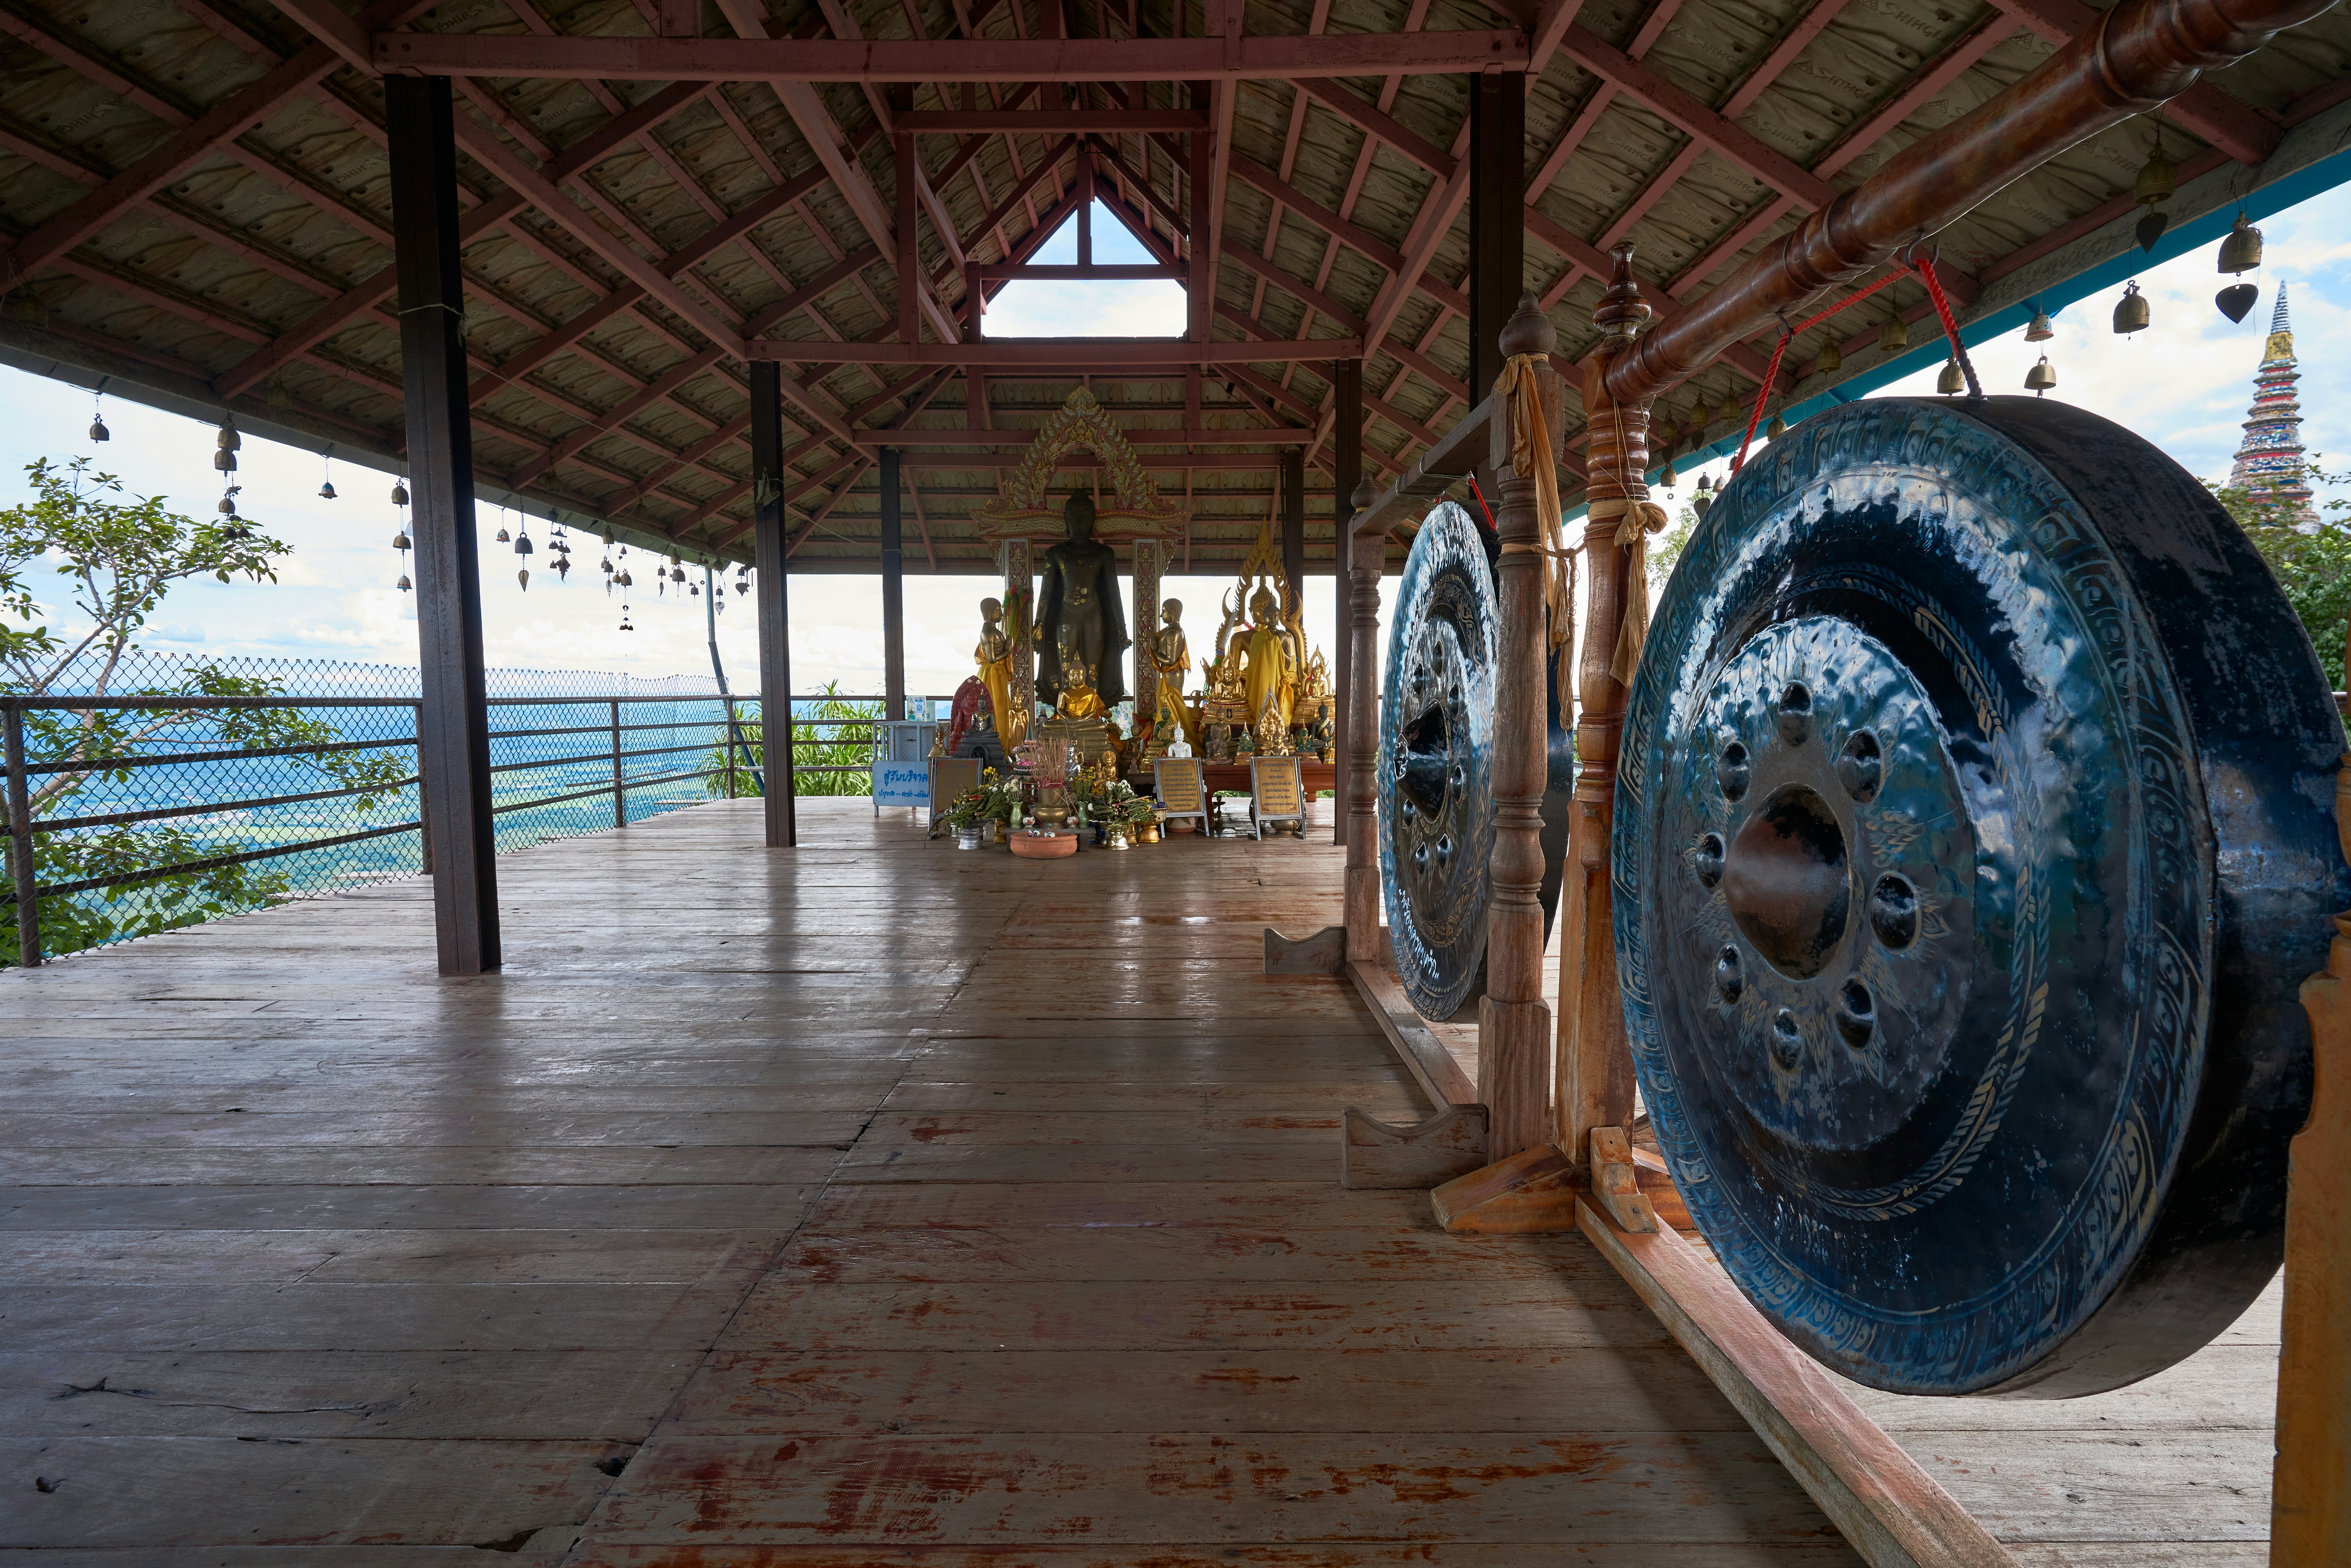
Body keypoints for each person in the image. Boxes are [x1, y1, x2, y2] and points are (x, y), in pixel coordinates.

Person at [1033, 490, 1129, 709]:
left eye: (1083, 515)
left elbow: (1114, 593)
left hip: (1094, 616)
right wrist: (1039, 623)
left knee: (1093, 670)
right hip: (1065, 616)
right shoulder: (1056, 554)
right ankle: (1065, 714)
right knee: (1066, 667)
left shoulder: (1103, 553)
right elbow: (1046, 593)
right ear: (1066, 520)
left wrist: (1121, 627)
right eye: (1073, 515)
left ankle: (1092, 715)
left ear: (1092, 520)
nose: (1078, 520)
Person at [975, 597, 1025, 747]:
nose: (1001, 615)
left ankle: (1006, 745)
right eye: (998, 611)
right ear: (989, 613)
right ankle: (999, 745)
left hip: (998, 673)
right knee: (997, 708)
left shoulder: (994, 631)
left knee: (1003, 708)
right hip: (993, 674)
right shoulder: (988, 632)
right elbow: (991, 659)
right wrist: (1008, 650)